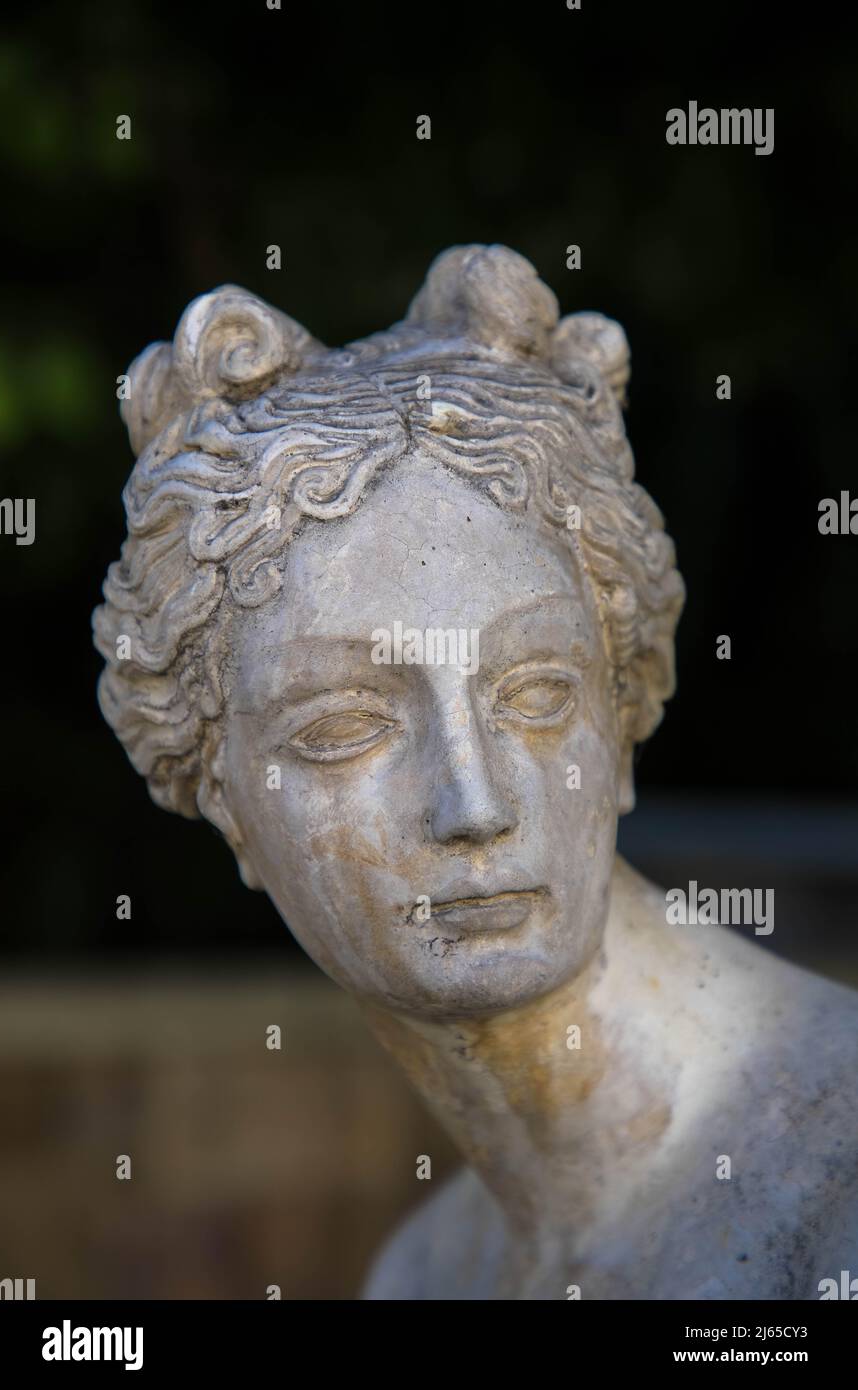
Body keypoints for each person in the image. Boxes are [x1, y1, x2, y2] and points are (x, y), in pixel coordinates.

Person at [93, 245, 858, 1299]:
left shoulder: (834, 1194)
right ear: (217, 793)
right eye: (346, 725)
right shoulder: (420, 1277)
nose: (474, 803)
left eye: (537, 696)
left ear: (623, 711)